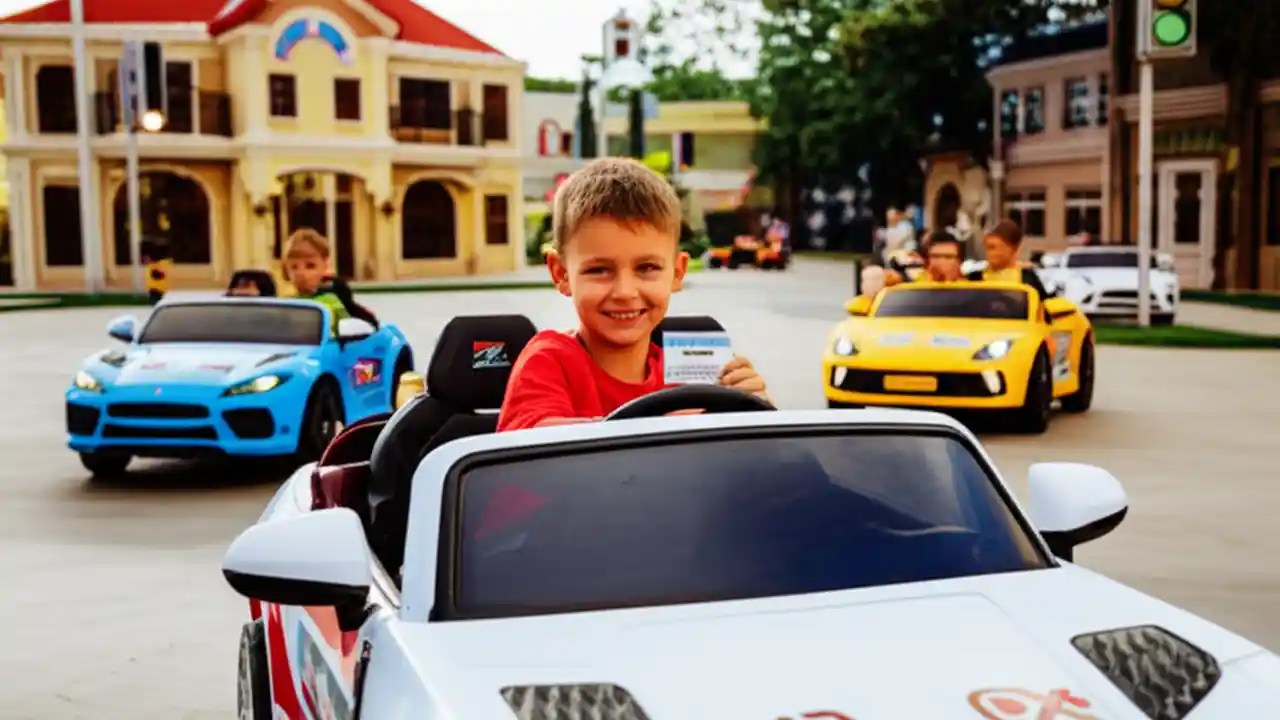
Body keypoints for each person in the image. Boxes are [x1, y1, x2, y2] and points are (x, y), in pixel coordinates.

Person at [496, 157, 771, 432]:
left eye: (647, 268)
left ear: (677, 272)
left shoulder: (699, 379)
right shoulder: (549, 361)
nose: (625, 292)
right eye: (599, 270)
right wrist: (668, 426)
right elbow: (527, 449)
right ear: (561, 274)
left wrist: (754, 411)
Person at [281, 228, 350, 330]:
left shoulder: (332, 302)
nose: (301, 273)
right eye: (294, 267)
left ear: (325, 266)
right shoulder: (284, 304)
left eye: (310, 266)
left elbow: (349, 331)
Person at [968, 219, 1050, 300]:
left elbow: (1045, 306)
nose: (989, 253)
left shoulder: (1029, 280)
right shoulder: (975, 278)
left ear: (1013, 249)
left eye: (993, 247)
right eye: (987, 247)